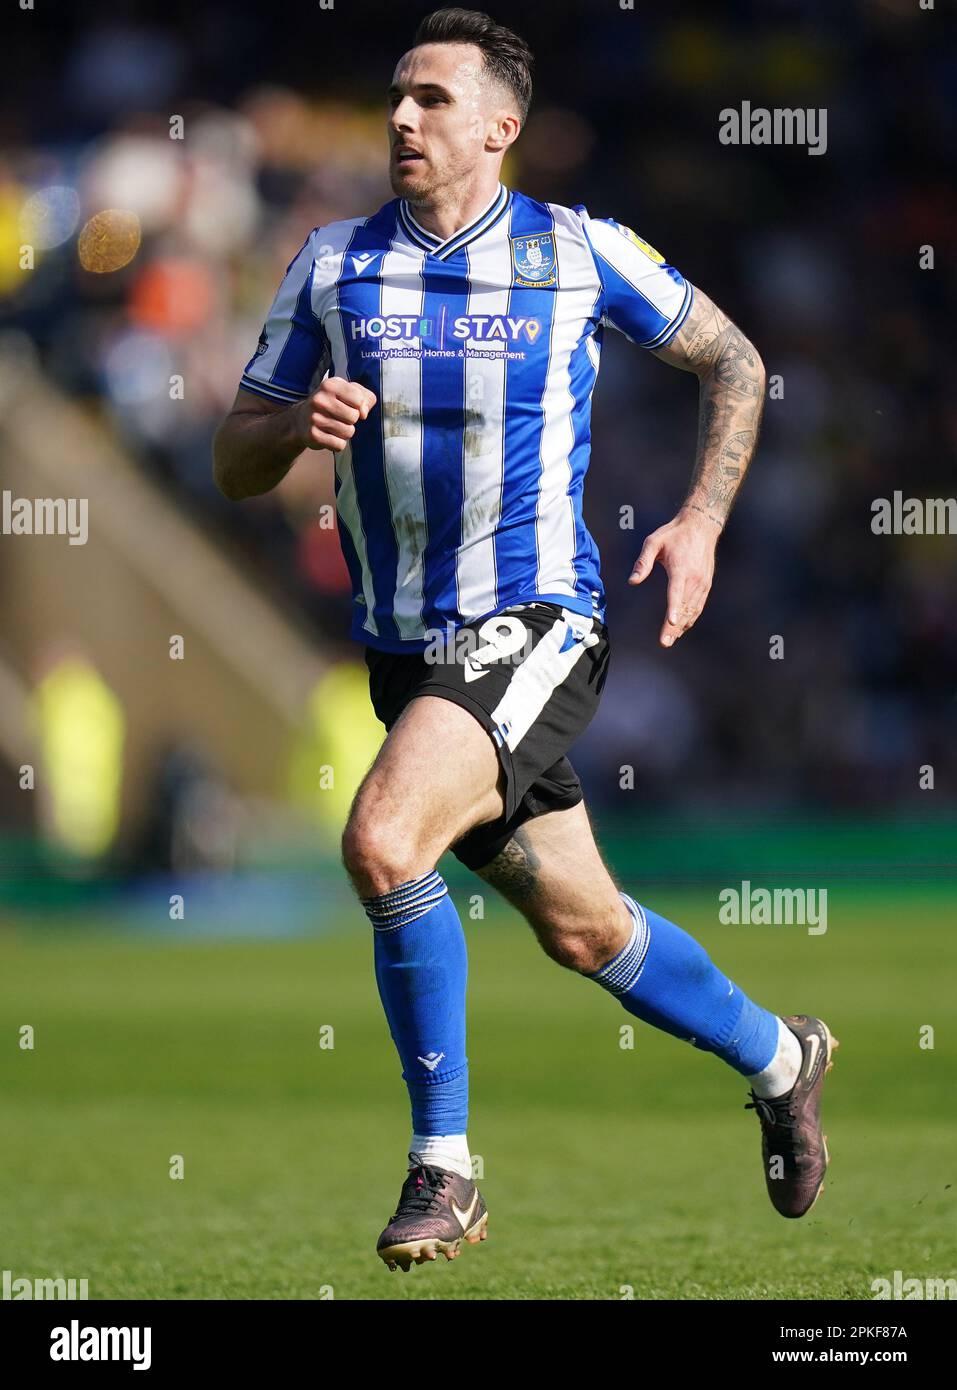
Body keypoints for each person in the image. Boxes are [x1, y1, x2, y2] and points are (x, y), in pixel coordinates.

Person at [213, 7, 837, 1274]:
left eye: (432, 99)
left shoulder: (577, 251)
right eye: (396, 95)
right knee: (584, 928)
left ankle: (444, 1167)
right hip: (408, 654)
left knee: (386, 839)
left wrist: (703, 520)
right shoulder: (330, 265)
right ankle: (784, 1055)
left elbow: (734, 359)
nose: (400, 117)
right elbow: (235, 454)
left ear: (500, 128)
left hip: (538, 614)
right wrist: (291, 429)